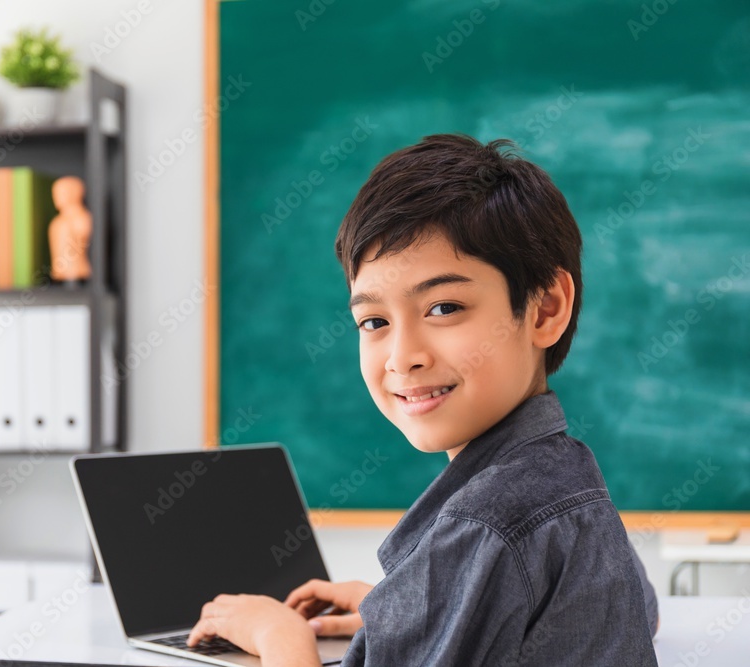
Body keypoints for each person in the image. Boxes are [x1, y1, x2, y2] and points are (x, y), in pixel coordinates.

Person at [187, 134, 660, 666]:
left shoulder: (485, 524)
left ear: (546, 309)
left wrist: (281, 639)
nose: (402, 356)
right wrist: (407, 612)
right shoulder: (570, 478)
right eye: (374, 322)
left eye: (443, 308)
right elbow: (639, 607)